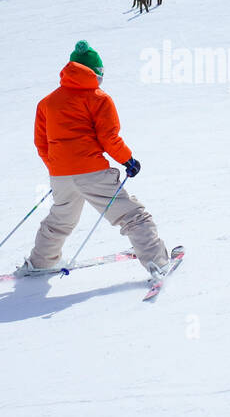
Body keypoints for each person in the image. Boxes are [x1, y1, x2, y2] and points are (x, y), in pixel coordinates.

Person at [14, 40, 177, 284]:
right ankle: (158, 262)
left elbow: (41, 144)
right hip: (92, 171)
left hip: (60, 175)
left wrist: (60, 167)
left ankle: (40, 263)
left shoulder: (47, 102)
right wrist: (128, 160)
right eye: (101, 74)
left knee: (61, 218)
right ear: (95, 73)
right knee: (133, 215)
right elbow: (109, 138)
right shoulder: (99, 99)